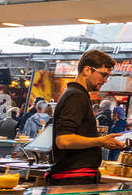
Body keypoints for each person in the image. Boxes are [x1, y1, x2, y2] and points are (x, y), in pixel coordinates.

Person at [50, 50, 126, 187]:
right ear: (87, 70)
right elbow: (63, 140)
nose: (105, 80)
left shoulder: (77, 95)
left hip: (75, 179)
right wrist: (101, 141)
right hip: (73, 181)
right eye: (103, 74)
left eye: (107, 76)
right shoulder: (76, 96)